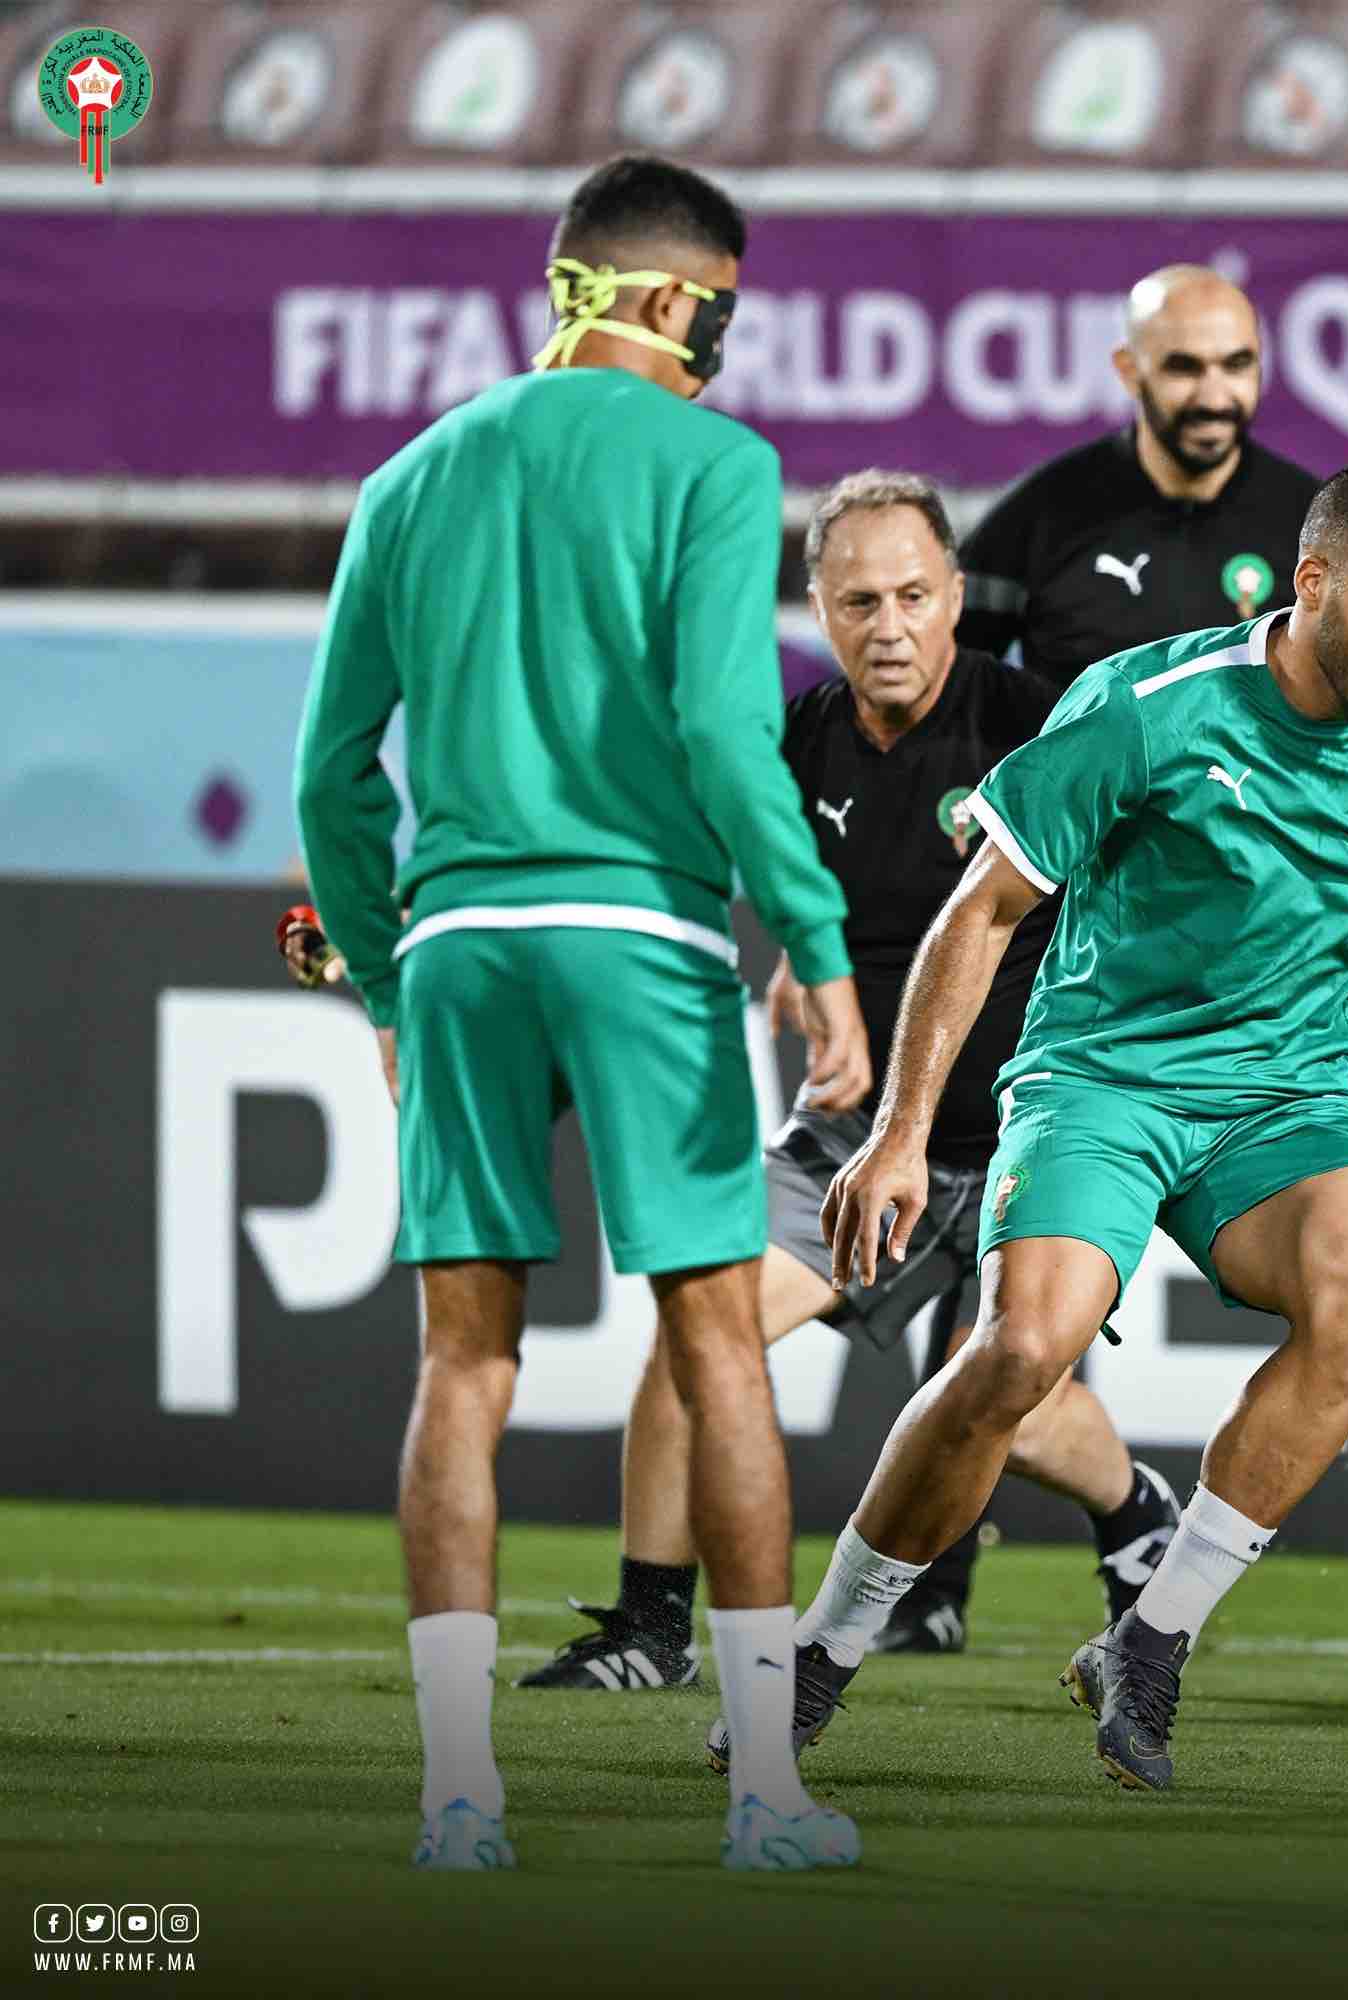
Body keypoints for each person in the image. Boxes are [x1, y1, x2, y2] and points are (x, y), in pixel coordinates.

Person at [726, 459, 1348, 1795]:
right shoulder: (1147, 706)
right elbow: (980, 913)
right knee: (1020, 1353)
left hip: (1283, 1100)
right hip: (1100, 1077)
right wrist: (896, 1130)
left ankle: (1149, 1641)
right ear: (1315, 581)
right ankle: (821, 1653)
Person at [292, 153, 869, 1874]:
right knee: (711, 1349)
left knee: (461, 1363)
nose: (726, 350)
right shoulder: (714, 463)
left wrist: (390, 979)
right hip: (641, 937)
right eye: (726, 314)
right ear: (678, 301)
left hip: (463, 936)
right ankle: (765, 1795)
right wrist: (820, 945)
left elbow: (333, 780)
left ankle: (456, 1801)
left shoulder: (411, 475)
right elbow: (718, 732)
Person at [516, 470, 1182, 1690]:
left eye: (915, 595)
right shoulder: (787, 744)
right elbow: (655, 866)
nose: (890, 626)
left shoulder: (1038, 727)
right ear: (817, 607)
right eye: (860, 599)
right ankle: (650, 1628)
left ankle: (1133, 1505)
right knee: (696, 1329)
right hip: (852, 1138)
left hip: (1023, 1139)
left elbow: (1172, 877)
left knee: (999, 1396)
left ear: (952, 598)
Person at [958, 264, 1348, 1664]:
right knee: (1012, 1317)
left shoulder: (1318, 519)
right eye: (1185, 367)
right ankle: (928, 1583)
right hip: (1054, 942)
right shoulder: (1038, 522)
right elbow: (960, 716)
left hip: (1275, 994)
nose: (1213, 391)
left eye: (1236, 365)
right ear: (1130, 371)